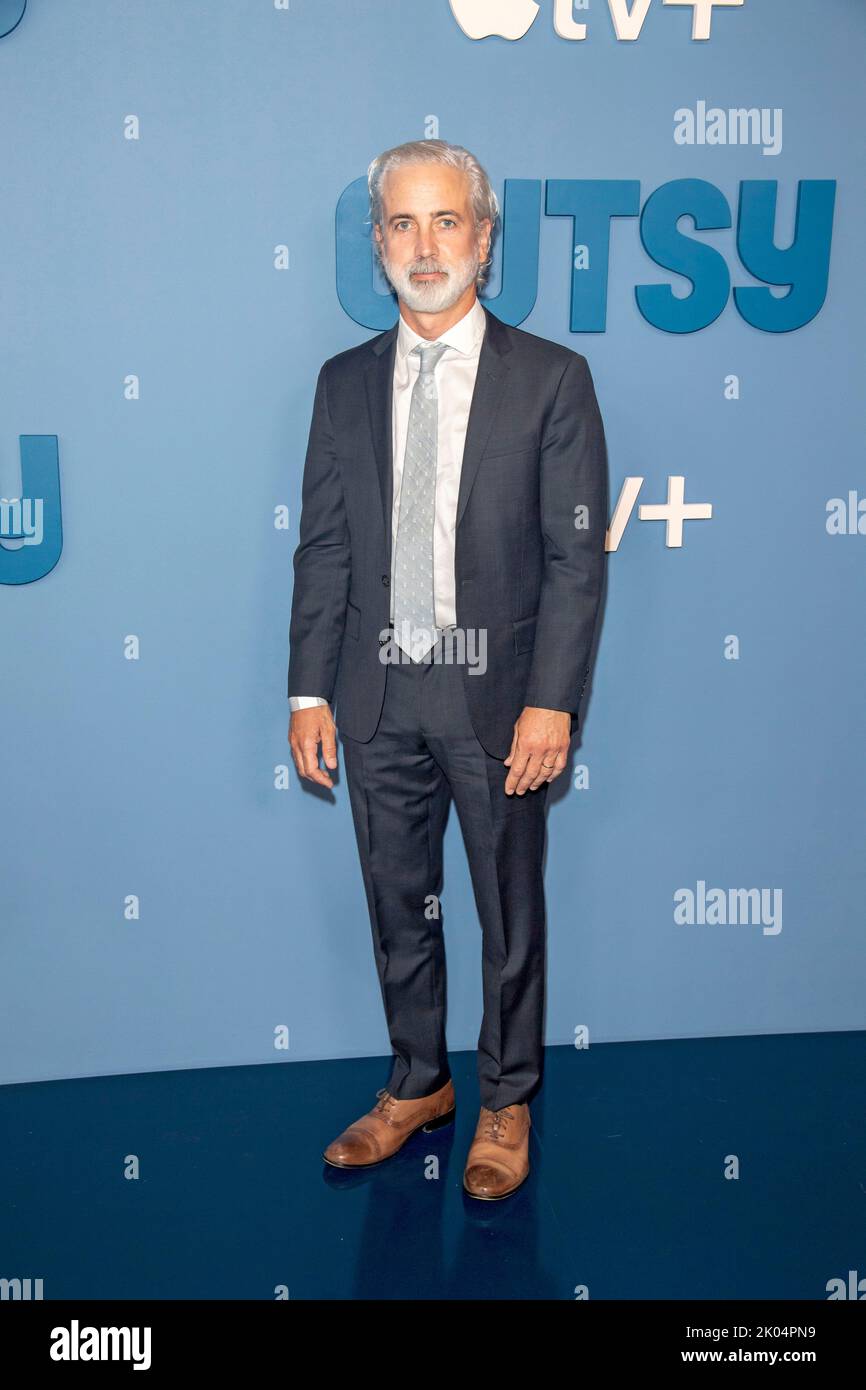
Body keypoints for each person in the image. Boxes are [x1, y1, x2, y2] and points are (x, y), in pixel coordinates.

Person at [287, 139, 608, 1200]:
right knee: (398, 901)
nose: (424, 247)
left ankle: (505, 1099)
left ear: (483, 238)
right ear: (375, 244)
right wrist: (306, 689)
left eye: (445, 222)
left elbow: (572, 556)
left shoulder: (553, 380)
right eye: (400, 225)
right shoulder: (341, 386)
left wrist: (551, 700)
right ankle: (418, 1082)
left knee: (507, 911)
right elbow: (324, 547)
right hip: (375, 696)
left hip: (498, 702)